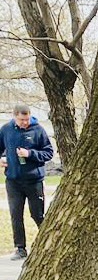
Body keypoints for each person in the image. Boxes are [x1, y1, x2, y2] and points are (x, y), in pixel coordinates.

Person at [2, 104, 55, 260]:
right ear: (14, 117)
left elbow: (48, 152)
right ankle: (20, 248)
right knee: (15, 215)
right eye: (21, 120)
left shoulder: (38, 130)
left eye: (27, 119)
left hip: (34, 181)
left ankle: (48, 244)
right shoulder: (6, 129)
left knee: (37, 214)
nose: (25, 122)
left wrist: (30, 153)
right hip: (13, 181)